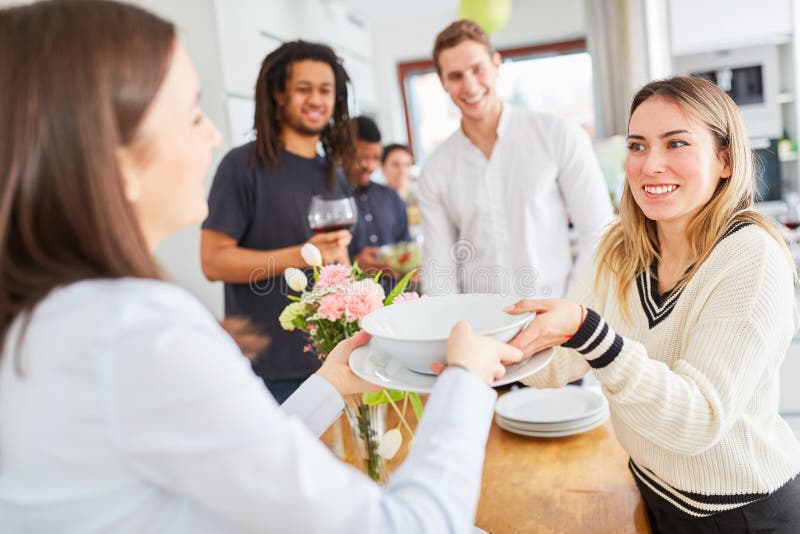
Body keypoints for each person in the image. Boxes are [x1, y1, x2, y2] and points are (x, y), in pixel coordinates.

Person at [0, 2, 525, 532]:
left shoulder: (62, 317)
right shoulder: (136, 333)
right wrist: (467, 378)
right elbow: (408, 525)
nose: (209, 134)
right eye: (191, 113)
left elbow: (225, 465)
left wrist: (328, 383)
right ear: (111, 159)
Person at [507, 76, 800, 532]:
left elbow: (698, 422)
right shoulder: (619, 247)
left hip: (739, 514)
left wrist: (591, 334)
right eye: (638, 146)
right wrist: (467, 349)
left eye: (676, 143)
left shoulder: (751, 257)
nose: (650, 165)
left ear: (725, 159)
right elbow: (556, 365)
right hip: (651, 491)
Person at [200, 40, 355, 403]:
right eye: (304, 89)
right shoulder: (242, 166)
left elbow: (340, 261)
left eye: (325, 90)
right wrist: (303, 255)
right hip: (269, 373)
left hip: (334, 363)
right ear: (279, 95)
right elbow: (212, 261)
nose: (316, 100)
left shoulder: (333, 173)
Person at [419, 19, 614, 299]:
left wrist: (570, 313)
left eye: (478, 69)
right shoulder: (436, 170)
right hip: (481, 328)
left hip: (558, 318)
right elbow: (440, 271)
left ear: (496, 65)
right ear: (442, 82)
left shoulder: (558, 134)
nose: (470, 85)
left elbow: (599, 235)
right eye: (456, 76)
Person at [347, 116, 411, 289]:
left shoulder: (391, 197)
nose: (368, 165)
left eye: (375, 158)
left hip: (394, 297)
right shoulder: (333, 198)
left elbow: (406, 245)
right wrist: (355, 263)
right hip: (347, 302)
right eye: (360, 157)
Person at [382, 143, 422, 238]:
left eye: (407, 164)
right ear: (382, 166)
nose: (402, 170)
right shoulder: (375, 203)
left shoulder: (423, 197)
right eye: (395, 165)